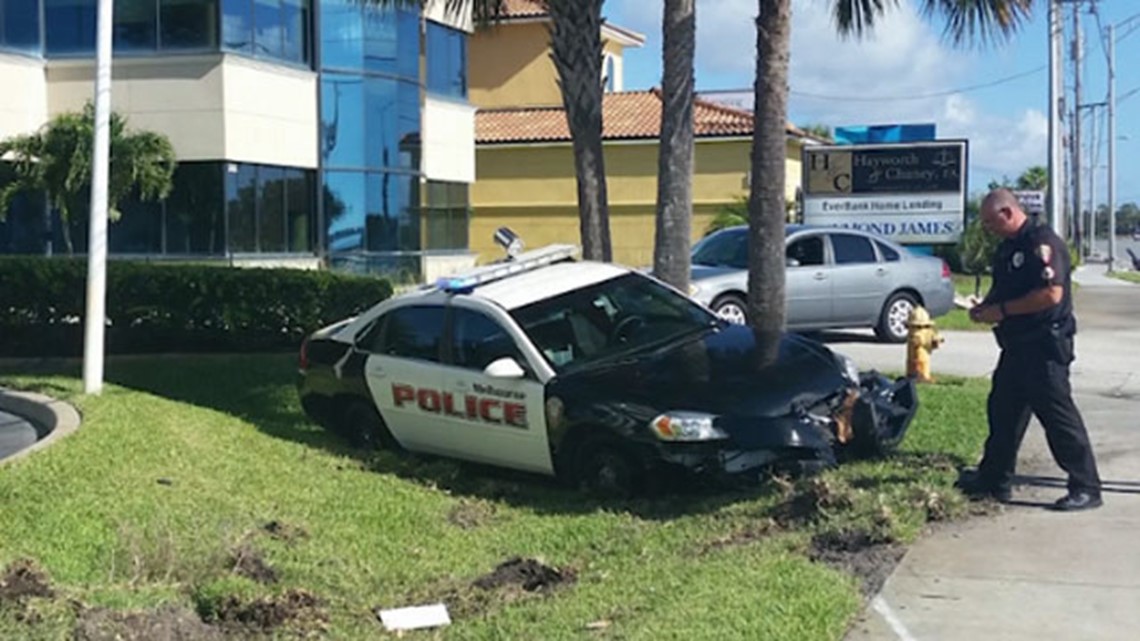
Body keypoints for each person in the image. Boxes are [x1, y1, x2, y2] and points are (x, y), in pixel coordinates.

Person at [960, 188, 1102, 511]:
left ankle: (1086, 486)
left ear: (1008, 213)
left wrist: (1004, 311)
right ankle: (994, 480)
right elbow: (1007, 289)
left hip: (1044, 346)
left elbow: (1051, 294)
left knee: (1057, 417)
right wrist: (985, 308)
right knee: (1003, 411)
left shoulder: (1041, 242)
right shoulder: (1009, 248)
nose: (988, 228)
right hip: (1016, 346)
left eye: (990, 221)